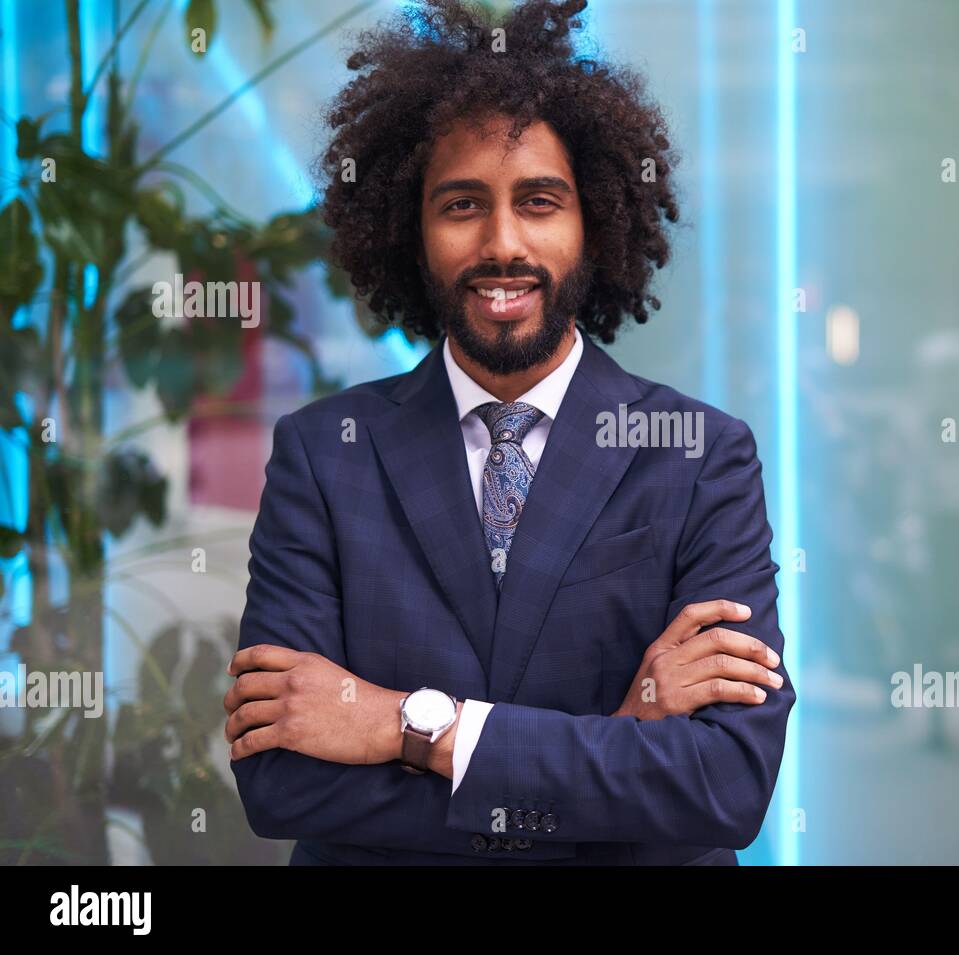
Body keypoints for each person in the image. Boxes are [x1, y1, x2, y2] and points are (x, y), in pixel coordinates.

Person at [224, 0, 794, 866]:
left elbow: (725, 783)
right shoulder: (322, 455)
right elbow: (282, 780)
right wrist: (614, 740)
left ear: (592, 223)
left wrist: (405, 725)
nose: (502, 244)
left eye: (539, 202)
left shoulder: (702, 455)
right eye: (461, 205)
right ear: (410, 231)